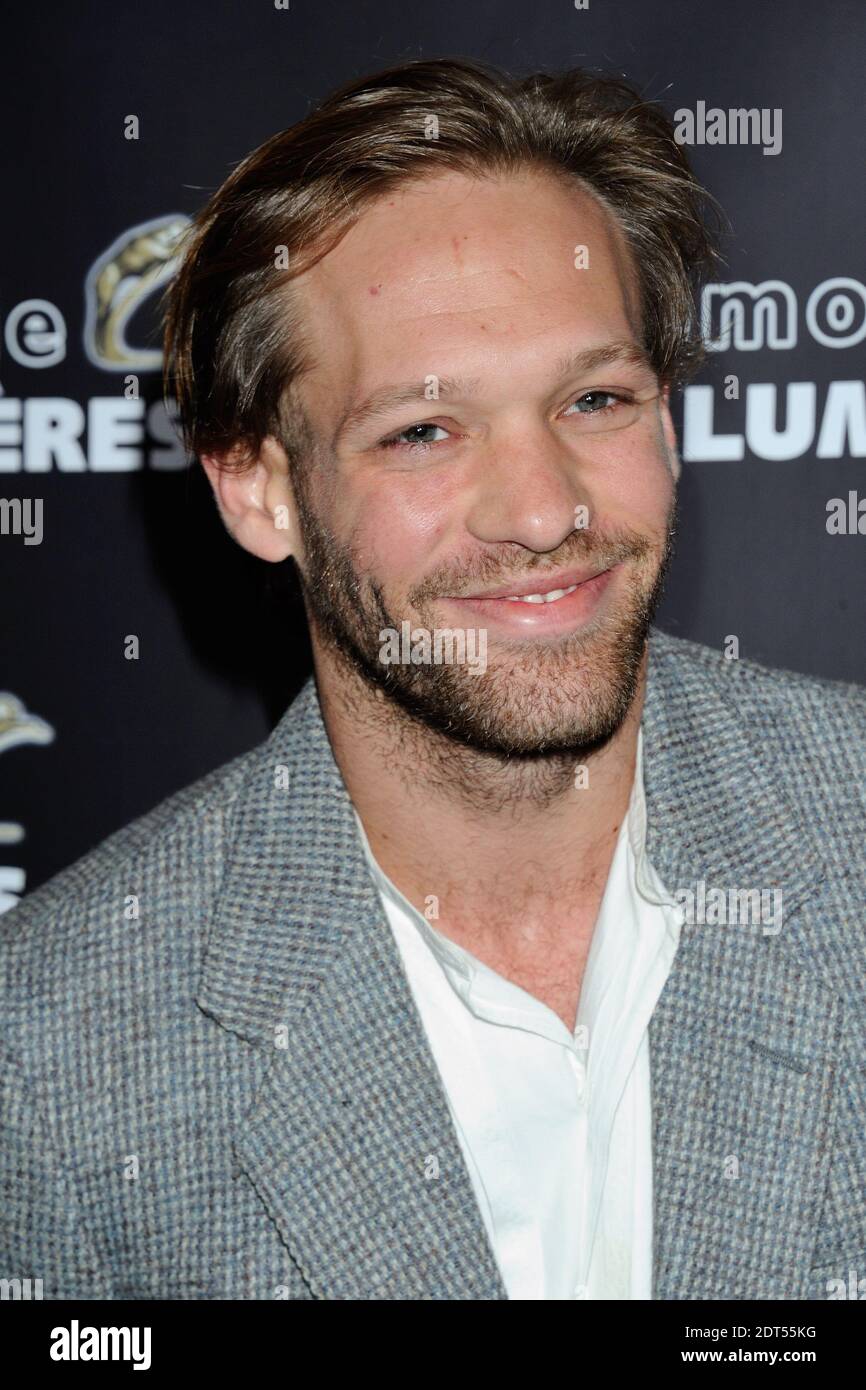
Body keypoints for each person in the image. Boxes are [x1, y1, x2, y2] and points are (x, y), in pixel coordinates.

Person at [2, 57, 864, 1302]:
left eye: (594, 397)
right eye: (422, 430)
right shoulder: (51, 1047)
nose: (542, 509)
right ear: (259, 487)